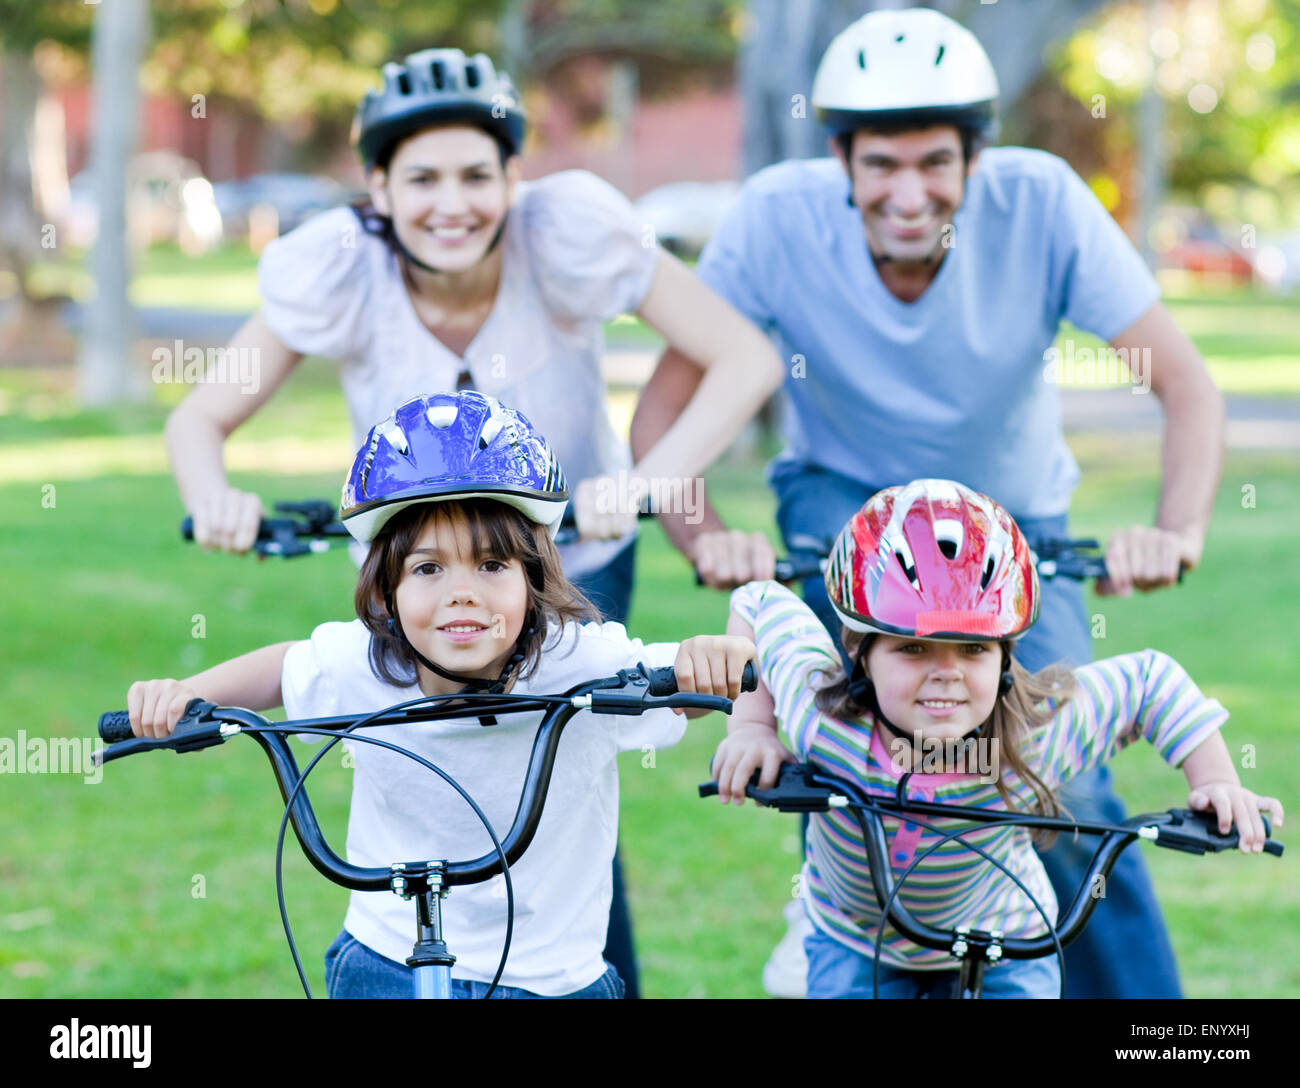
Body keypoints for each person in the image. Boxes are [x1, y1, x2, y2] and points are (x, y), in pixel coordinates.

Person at [629, 8, 1225, 997]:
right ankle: (829, 942)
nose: (910, 194)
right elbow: (662, 408)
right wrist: (707, 536)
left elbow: (1186, 386)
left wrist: (1177, 528)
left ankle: (1146, 1021)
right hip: (842, 525)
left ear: (975, 157)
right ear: (840, 158)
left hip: (1013, 527)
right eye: (882, 164)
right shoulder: (777, 216)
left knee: (1063, 783)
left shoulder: (1041, 203)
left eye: (936, 162)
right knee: (826, 757)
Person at [163, 47, 783, 995]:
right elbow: (201, 416)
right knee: (415, 779)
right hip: (405, 570)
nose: (450, 203)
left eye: (475, 175)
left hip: (565, 557)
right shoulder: (341, 269)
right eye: (421, 178)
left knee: (562, 791)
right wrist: (215, 494)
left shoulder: (568, 237)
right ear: (377, 186)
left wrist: (647, 483)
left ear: (513, 180)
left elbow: (744, 358)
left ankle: (571, 976)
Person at [128, 392, 757, 998]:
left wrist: (709, 664)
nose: (462, 592)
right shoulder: (366, 661)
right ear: (385, 592)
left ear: (533, 577)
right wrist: (185, 696)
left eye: (491, 566)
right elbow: (282, 669)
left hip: (550, 978)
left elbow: (675, 680)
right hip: (386, 960)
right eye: (428, 568)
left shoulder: (577, 660)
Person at [707, 480, 1281, 999]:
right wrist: (753, 728)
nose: (946, 671)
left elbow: (1151, 681)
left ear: (1006, 657)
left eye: (974, 649)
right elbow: (758, 601)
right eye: (912, 648)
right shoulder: (824, 723)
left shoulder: (1034, 739)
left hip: (1004, 936)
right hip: (854, 937)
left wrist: (1216, 782)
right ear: (859, 650)